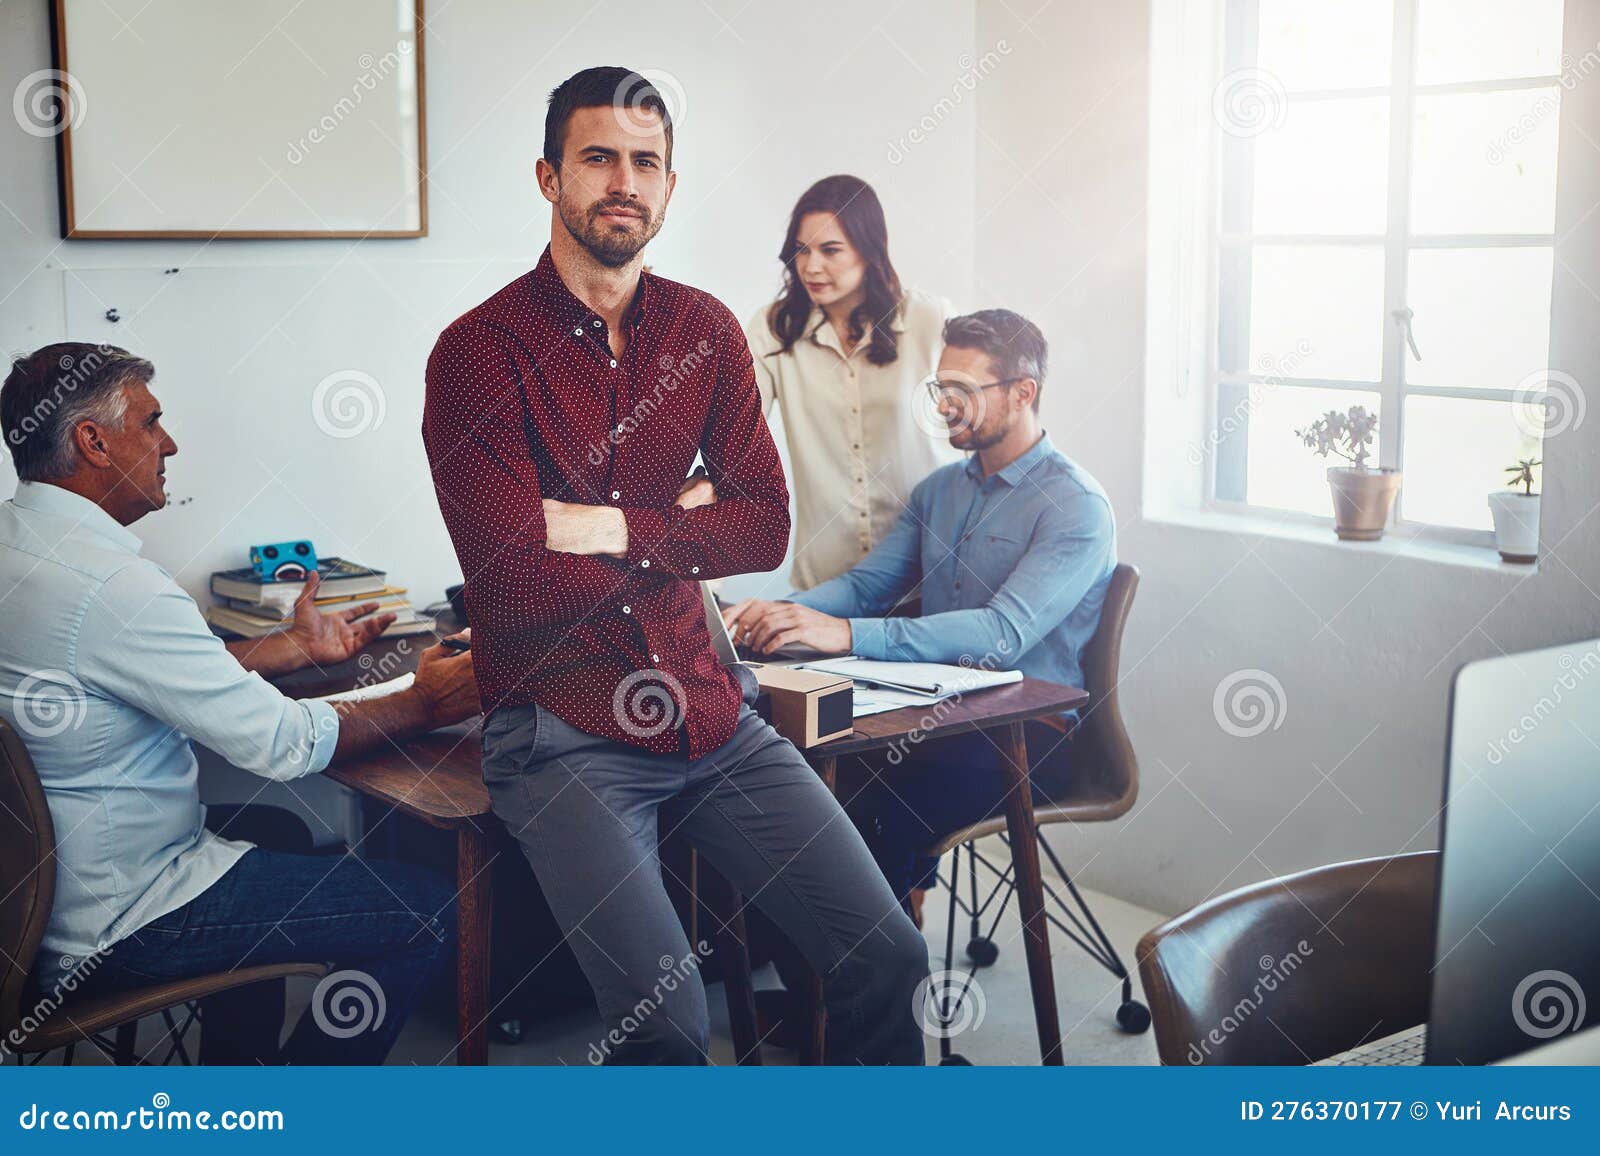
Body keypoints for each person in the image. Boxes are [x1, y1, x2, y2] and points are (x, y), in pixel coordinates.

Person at [421, 66, 928, 1065]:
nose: (623, 181)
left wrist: (607, 526)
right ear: (548, 177)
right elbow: (514, 580)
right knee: (667, 1024)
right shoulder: (477, 352)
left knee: (890, 956)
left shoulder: (702, 331)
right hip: (566, 730)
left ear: (669, 184)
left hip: (710, 711)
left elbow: (763, 528)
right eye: (597, 157)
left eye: (644, 161)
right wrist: (681, 527)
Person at [0, 343, 481, 1065]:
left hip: (28, 900)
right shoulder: (113, 586)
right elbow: (283, 746)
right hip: (115, 922)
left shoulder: (22, 548)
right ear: (92, 441)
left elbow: (116, 673)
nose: (170, 444)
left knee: (275, 831)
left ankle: (237, 1078)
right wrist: (424, 700)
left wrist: (284, 651)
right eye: (151, 423)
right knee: (429, 910)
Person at [725, 310, 1117, 918]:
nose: (944, 406)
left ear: (1023, 393)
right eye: (939, 389)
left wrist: (845, 634)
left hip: (1030, 737)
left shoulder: (1075, 507)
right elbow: (867, 586)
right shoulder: (941, 490)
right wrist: (772, 611)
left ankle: (872, 991)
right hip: (937, 717)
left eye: (962, 391)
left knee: (873, 810)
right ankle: (816, 980)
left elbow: (1001, 634)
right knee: (801, 780)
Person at [747, 174, 961, 591]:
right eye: (802, 251)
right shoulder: (773, 329)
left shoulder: (928, 320)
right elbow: (733, 436)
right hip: (826, 585)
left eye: (830, 250)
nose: (811, 266)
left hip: (927, 579)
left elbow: (977, 420)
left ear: (869, 249)